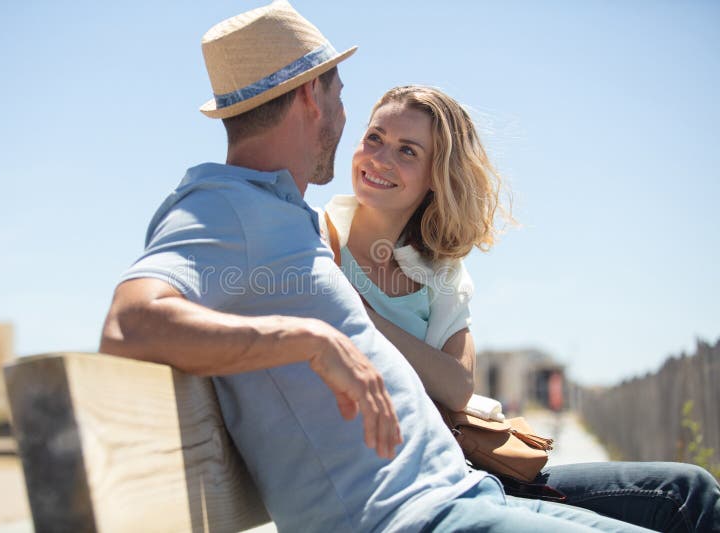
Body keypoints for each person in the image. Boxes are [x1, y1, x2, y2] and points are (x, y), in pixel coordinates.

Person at [100, 1, 661, 531]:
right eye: (342, 98)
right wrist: (309, 339)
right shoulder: (225, 203)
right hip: (409, 517)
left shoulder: (288, 215)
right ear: (311, 98)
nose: (347, 121)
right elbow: (130, 322)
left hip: (456, 494)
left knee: (689, 502)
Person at [321, 84, 720, 532]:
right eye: (374, 137)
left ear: (438, 175)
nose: (380, 158)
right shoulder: (318, 243)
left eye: (407, 151)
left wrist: (360, 316)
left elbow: (456, 387)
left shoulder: (441, 270)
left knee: (689, 492)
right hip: (408, 488)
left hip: (474, 469)